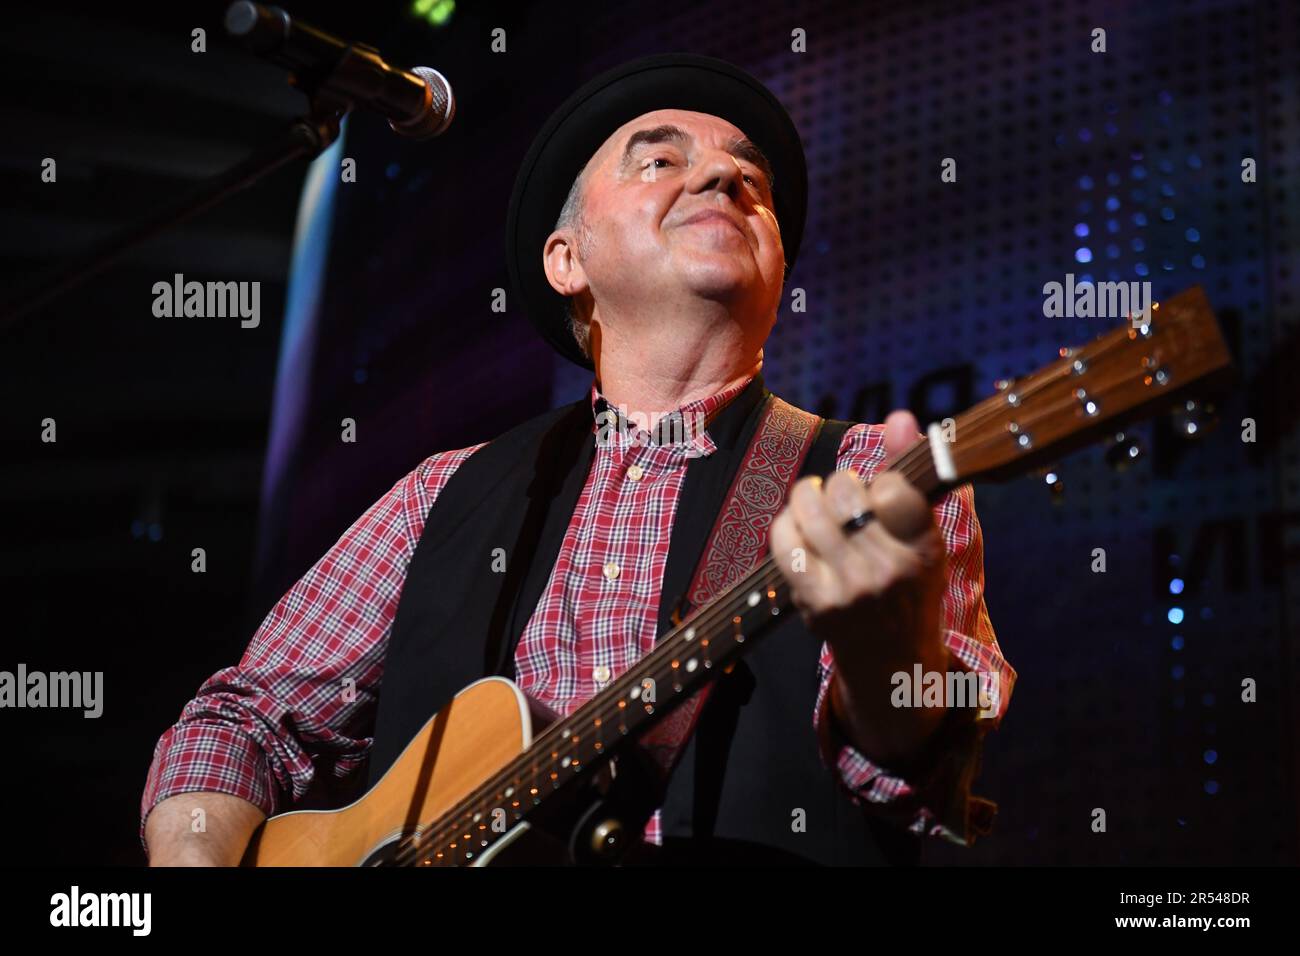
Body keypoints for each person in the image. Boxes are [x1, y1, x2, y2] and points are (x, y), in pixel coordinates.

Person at [142, 53, 1015, 866]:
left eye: (752, 177)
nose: (725, 177)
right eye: (659, 161)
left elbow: (909, 769)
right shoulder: (439, 496)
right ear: (567, 261)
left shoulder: (868, 474)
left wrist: (886, 653)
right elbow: (245, 723)